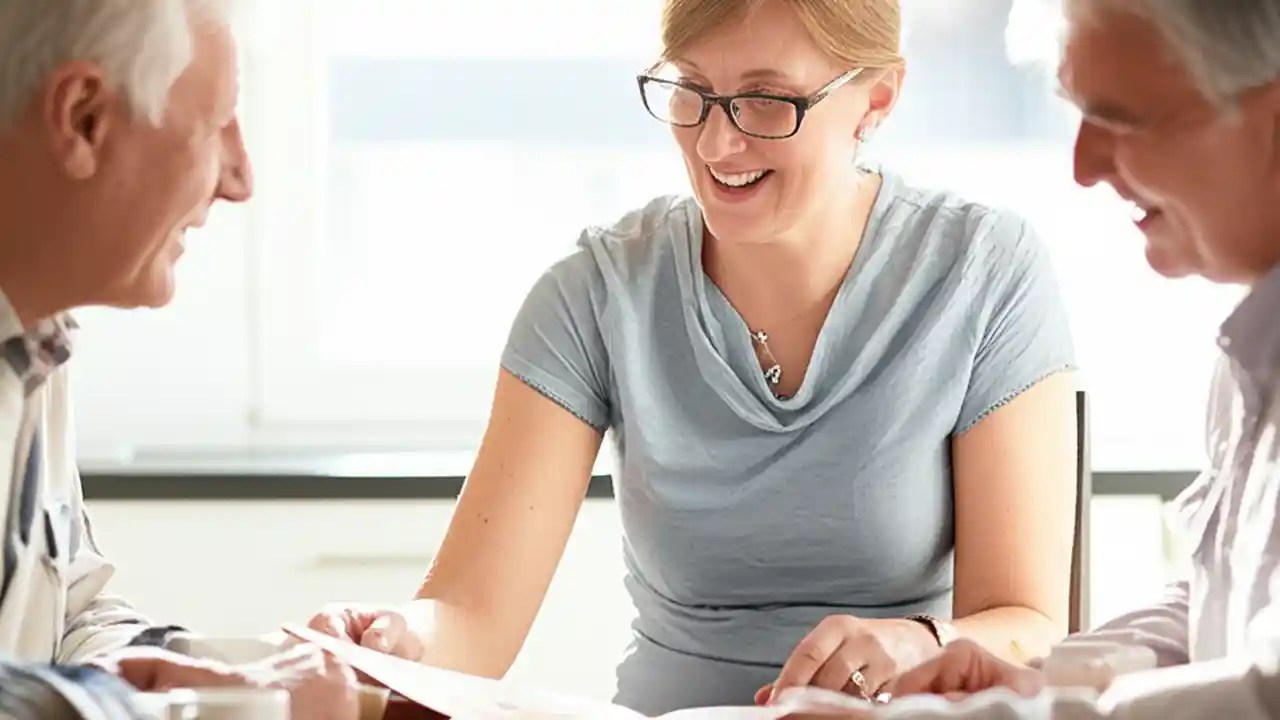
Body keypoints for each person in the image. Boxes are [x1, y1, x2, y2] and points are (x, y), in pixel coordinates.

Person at [306, 0, 1079, 714]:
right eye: (691, 91)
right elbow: (471, 620)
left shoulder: (983, 271)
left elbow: (1031, 623)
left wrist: (923, 641)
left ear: (875, 99)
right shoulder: (597, 295)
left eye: (766, 100)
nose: (715, 142)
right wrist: (395, 642)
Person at [786, 0, 1280, 717]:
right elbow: (1223, 603)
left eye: (1124, 119)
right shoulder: (1253, 352)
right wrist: (1046, 682)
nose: (1083, 165)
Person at [0, 1, 360, 718]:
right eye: (216, 124)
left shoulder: (37, 339)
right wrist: (231, 712)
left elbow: (69, 616)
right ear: (83, 120)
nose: (239, 178)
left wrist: (245, 671)